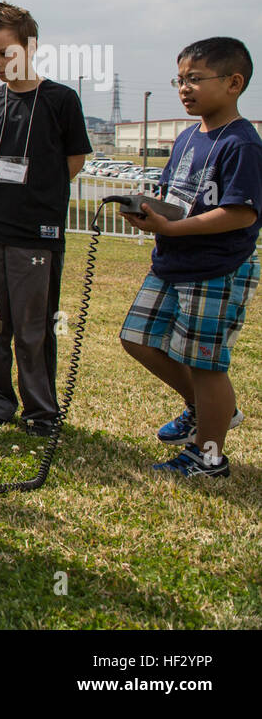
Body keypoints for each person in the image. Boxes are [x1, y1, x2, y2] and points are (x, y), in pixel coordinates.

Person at [119, 37, 259, 477]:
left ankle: (208, 455)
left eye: (195, 79)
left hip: (216, 268)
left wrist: (172, 228)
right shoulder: (186, 139)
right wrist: (148, 210)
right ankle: (207, 409)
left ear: (234, 83)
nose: (184, 88)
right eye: (179, 79)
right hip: (172, 262)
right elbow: (174, 197)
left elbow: (239, 213)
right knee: (136, 337)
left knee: (204, 363)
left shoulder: (242, 144)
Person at [0, 1, 91, 435]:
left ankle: (40, 412)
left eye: (4, 52)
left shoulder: (61, 100)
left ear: (29, 46)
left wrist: (40, 197)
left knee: (33, 328)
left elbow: (74, 160)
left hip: (37, 234)